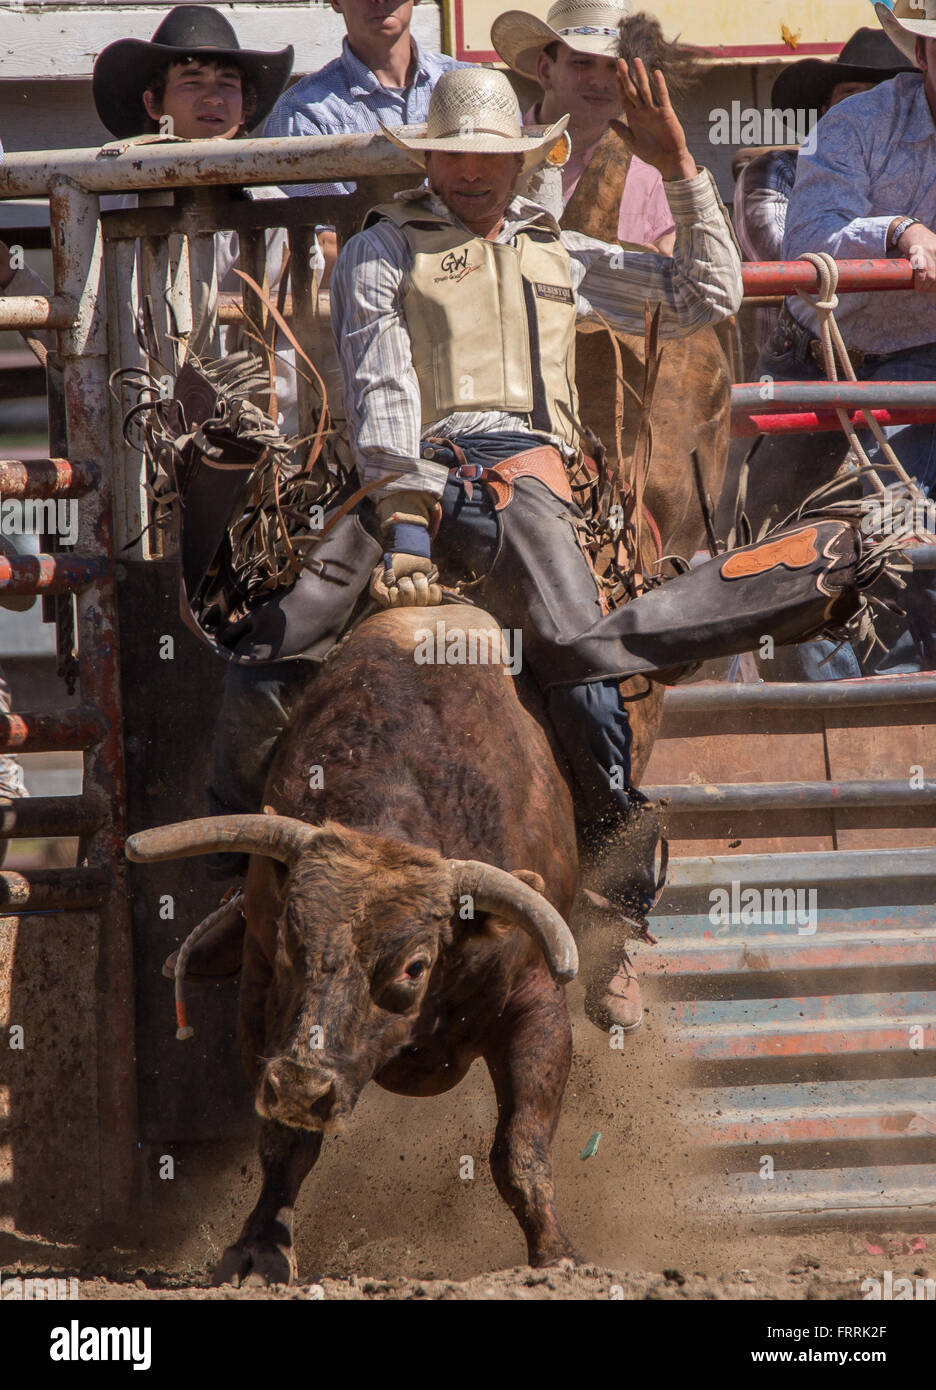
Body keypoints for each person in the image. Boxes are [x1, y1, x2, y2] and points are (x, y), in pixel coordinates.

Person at [315, 63, 740, 1027]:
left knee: (590, 666)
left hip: (531, 486)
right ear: (429, 156)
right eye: (458, 156)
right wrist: (408, 522)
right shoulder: (382, 252)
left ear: (521, 164)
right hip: (415, 476)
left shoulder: (563, 254)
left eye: (493, 159)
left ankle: (615, 915)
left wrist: (679, 167)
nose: (475, 174)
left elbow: (707, 294)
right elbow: (382, 392)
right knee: (267, 646)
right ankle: (245, 891)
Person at [750, 2, 936, 676]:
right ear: (923, 55)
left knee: (902, 539)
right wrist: (898, 231)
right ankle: (833, 713)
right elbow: (804, 249)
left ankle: (890, 710)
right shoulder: (857, 124)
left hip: (917, 363)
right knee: (778, 550)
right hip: (820, 358)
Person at [0, 6, 299, 424]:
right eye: (192, 81)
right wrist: (13, 278)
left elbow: (281, 368)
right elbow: (82, 332)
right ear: (153, 101)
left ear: (244, 109)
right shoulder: (108, 204)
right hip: (134, 426)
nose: (212, 97)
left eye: (227, 83)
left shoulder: (269, 207)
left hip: (242, 438)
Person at [734, 27, 913, 352]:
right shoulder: (774, 173)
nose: (866, 110)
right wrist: (903, 238)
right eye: (853, 95)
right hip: (799, 371)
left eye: (883, 96)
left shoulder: (921, 173)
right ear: (826, 113)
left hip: (905, 366)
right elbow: (799, 264)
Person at [264, 0, 466, 279]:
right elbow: (319, 246)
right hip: (368, 295)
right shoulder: (302, 111)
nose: (380, 0)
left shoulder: (470, 85)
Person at [493, 1, 680, 252]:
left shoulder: (650, 176)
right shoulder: (494, 155)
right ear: (546, 70)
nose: (599, 81)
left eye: (614, 67)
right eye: (582, 63)